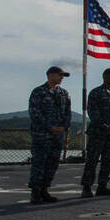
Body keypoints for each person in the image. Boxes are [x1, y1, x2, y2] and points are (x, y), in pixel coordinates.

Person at [27, 65, 72, 204]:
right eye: (60, 75)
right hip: (42, 134)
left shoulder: (64, 93)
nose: (62, 78)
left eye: (63, 76)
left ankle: (45, 190)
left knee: (52, 163)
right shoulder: (39, 92)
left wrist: (63, 127)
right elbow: (35, 113)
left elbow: (68, 113)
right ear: (50, 75)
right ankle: (35, 192)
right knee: (39, 163)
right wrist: (49, 127)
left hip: (58, 135)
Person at [82, 67, 110, 197]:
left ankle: (102, 186)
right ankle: (87, 187)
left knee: (108, 161)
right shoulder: (96, 93)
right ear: (105, 77)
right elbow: (93, 112)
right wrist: (105, 126)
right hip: (97, 133)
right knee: (92, 161)